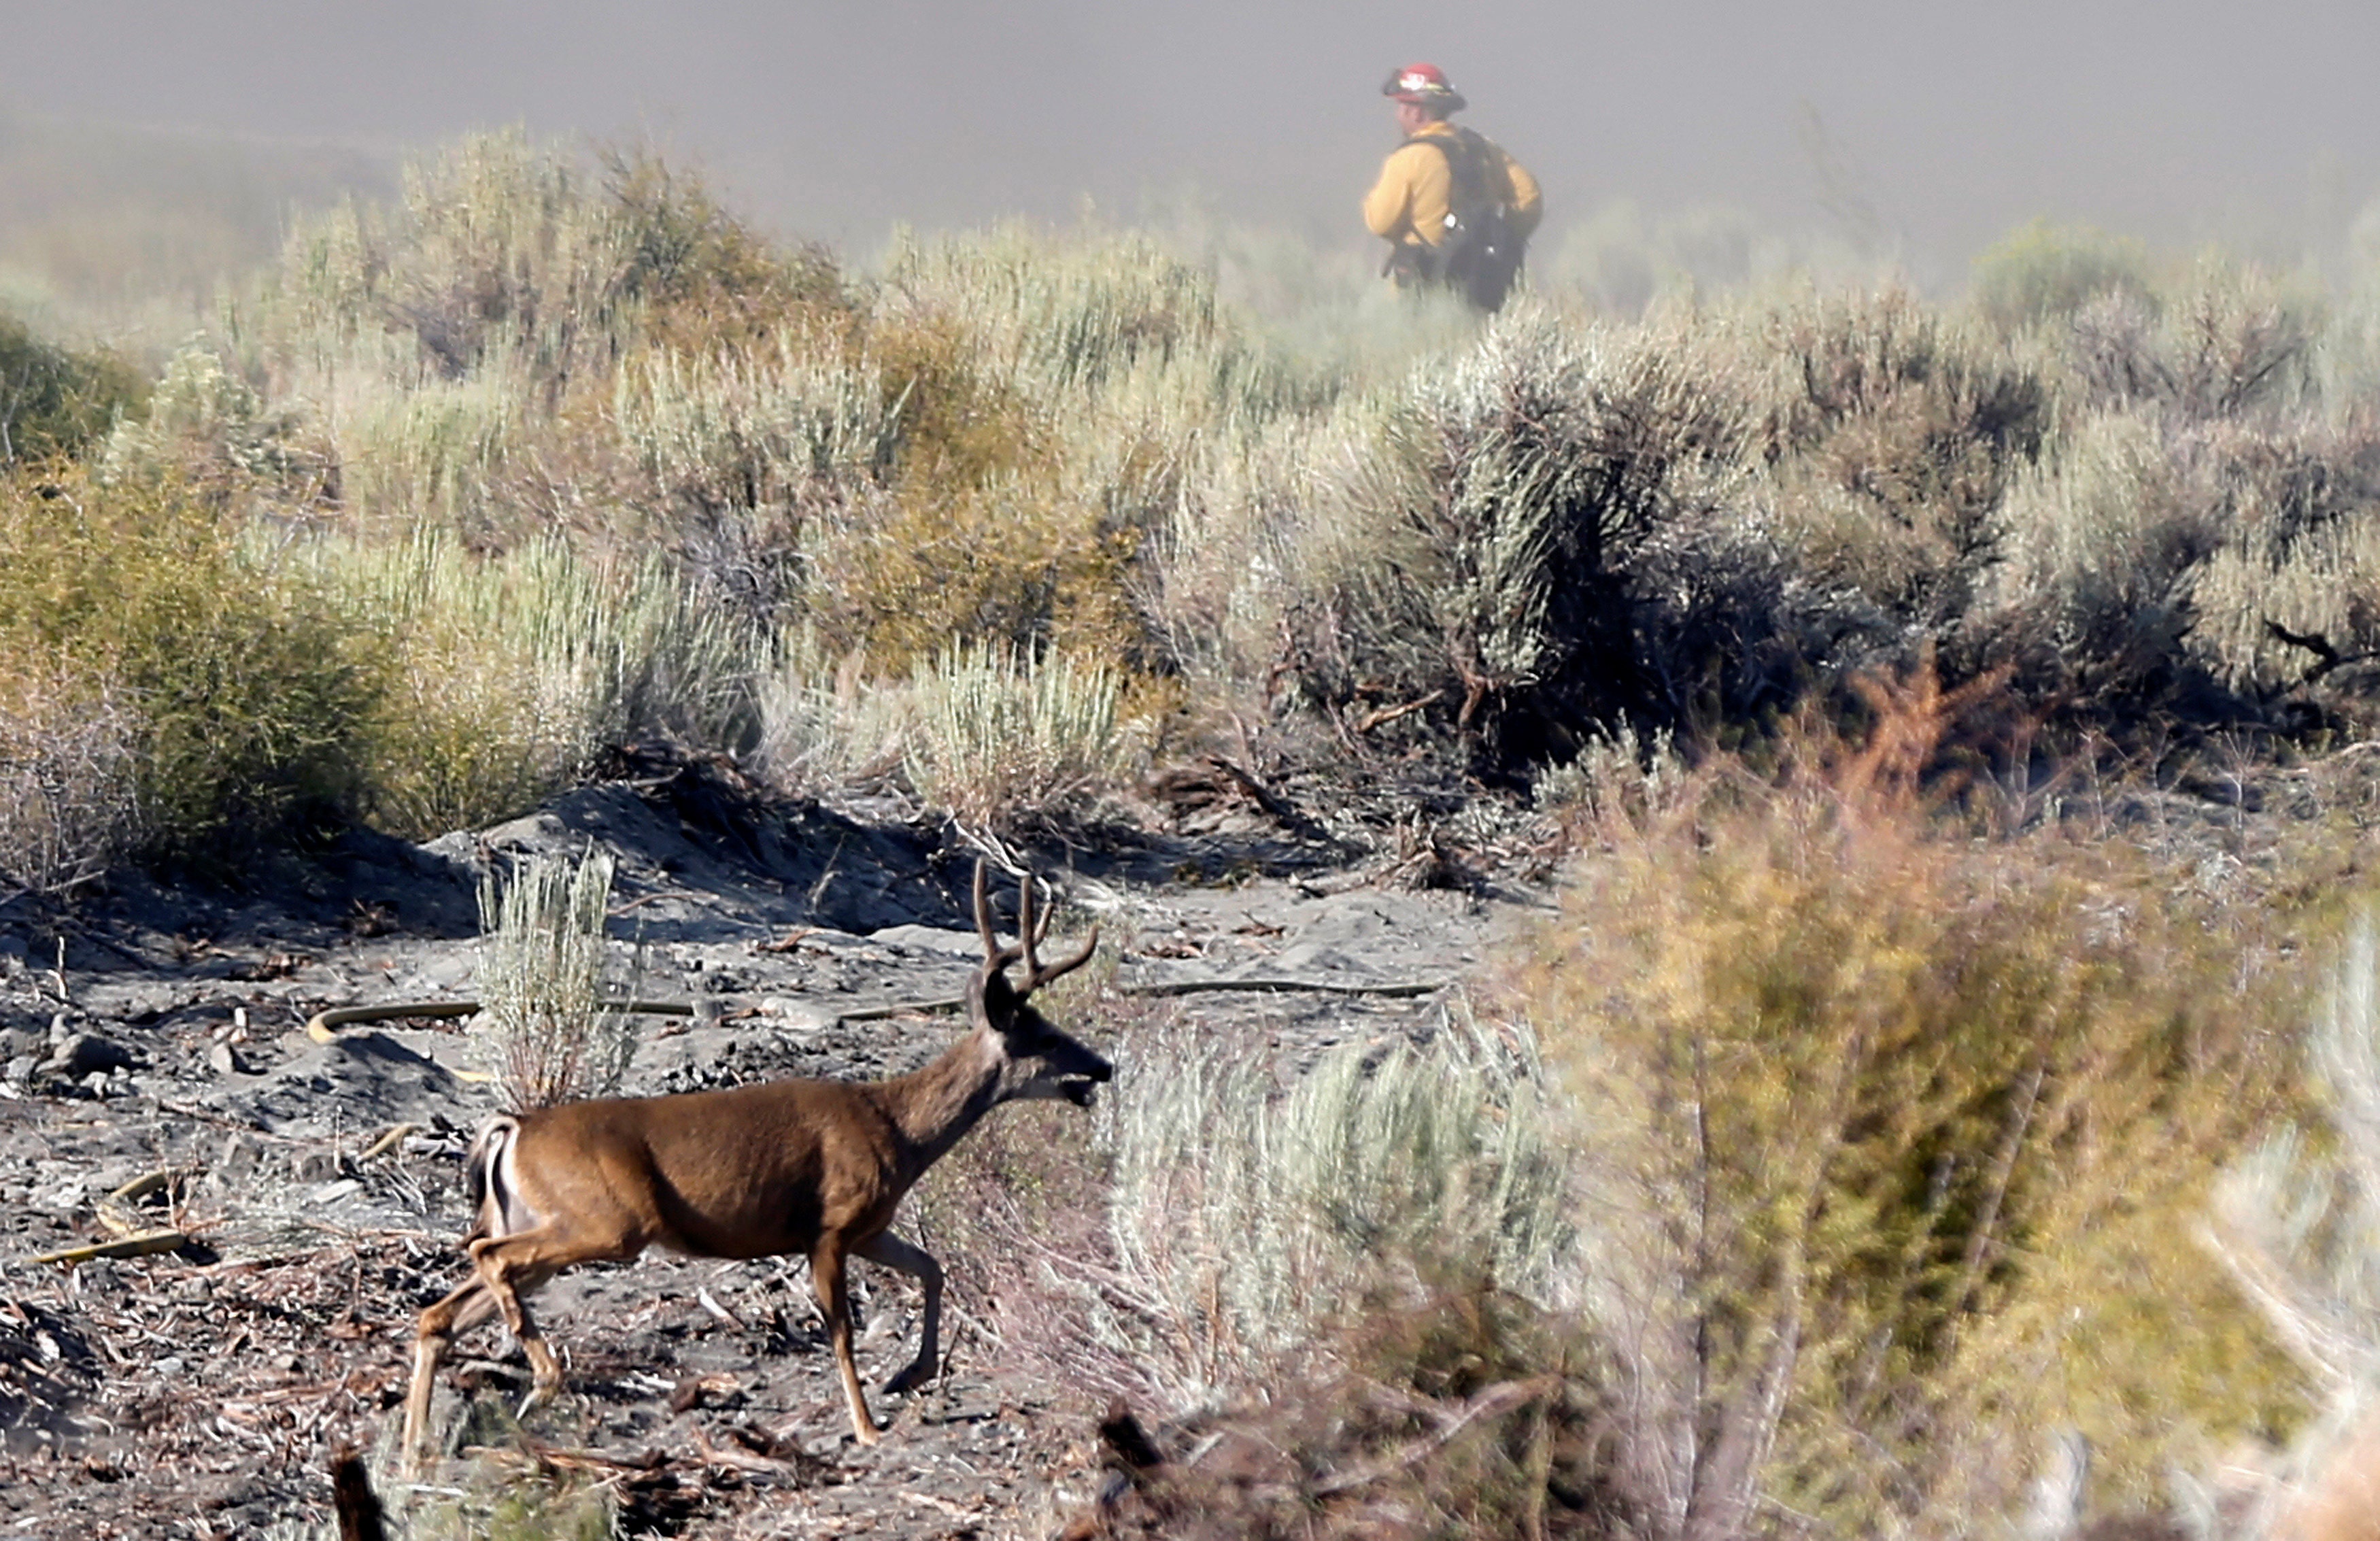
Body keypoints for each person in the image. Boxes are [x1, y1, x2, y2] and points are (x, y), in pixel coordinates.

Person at [1363, 63, 1542, 312]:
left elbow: (1380, 222)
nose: (1398, 115)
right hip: (1481, 289)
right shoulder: (1485, 149)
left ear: (1416, 112)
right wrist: (1505, 241)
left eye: (1402, 107)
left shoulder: (1408, 158)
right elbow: (1528, 197)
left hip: (1420, 292)